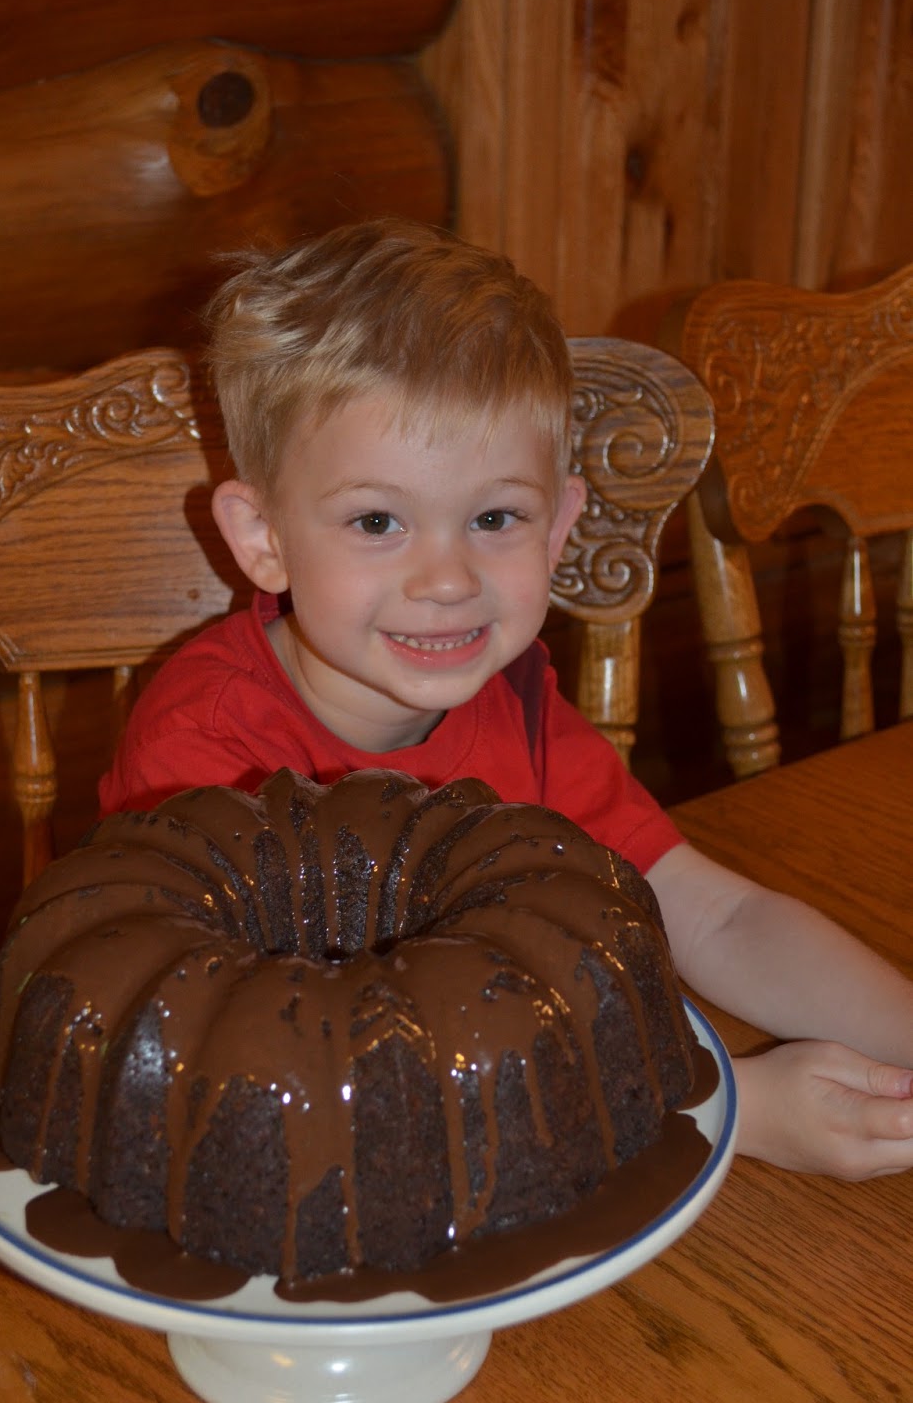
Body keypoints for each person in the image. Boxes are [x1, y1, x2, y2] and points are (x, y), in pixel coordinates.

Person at [100, 218, 913, 1182]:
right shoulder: (206, 754)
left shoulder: (516, 702)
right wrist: (718, 1109)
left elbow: (712, 916)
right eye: (376, 520)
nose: (446, 579)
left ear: (560, 523)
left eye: (494, 517)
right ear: (262, 536)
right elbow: (269, 1088)